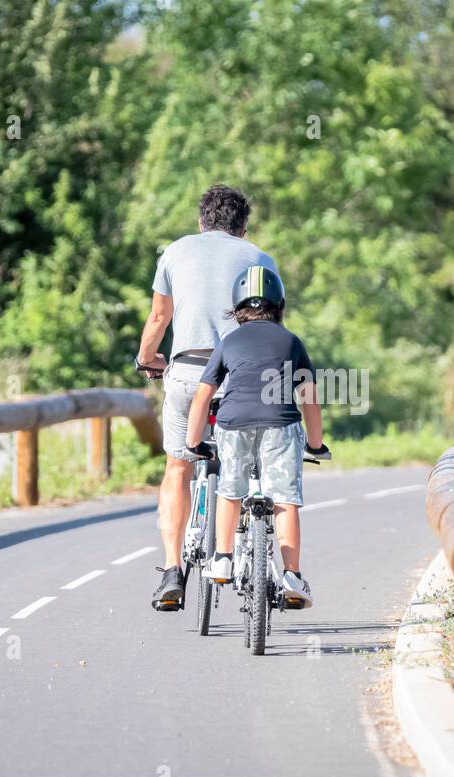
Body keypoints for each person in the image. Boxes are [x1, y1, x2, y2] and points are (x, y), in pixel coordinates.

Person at [138, 185, 278, 611]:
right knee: (249, 459)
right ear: (243, 228)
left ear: (201, 222)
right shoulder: (259, 259)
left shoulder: (175, 252)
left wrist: (147, 357)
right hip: (242, 374)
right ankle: (246, 546)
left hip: (187, 371)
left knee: (178, 465)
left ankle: (169, 570)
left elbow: (160, 316)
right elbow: (272, 324)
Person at [183, 266, 331, 610]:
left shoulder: (229, 342)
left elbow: (204, 394)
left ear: (237, 308)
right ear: (279, 304)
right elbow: (309, 397)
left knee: (231, 491)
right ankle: (292, 575)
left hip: (234, 423)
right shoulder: (292, 342)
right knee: (285, 499)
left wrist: (193, 441)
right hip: (280, 424)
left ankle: (221, 558)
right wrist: (315, 443)